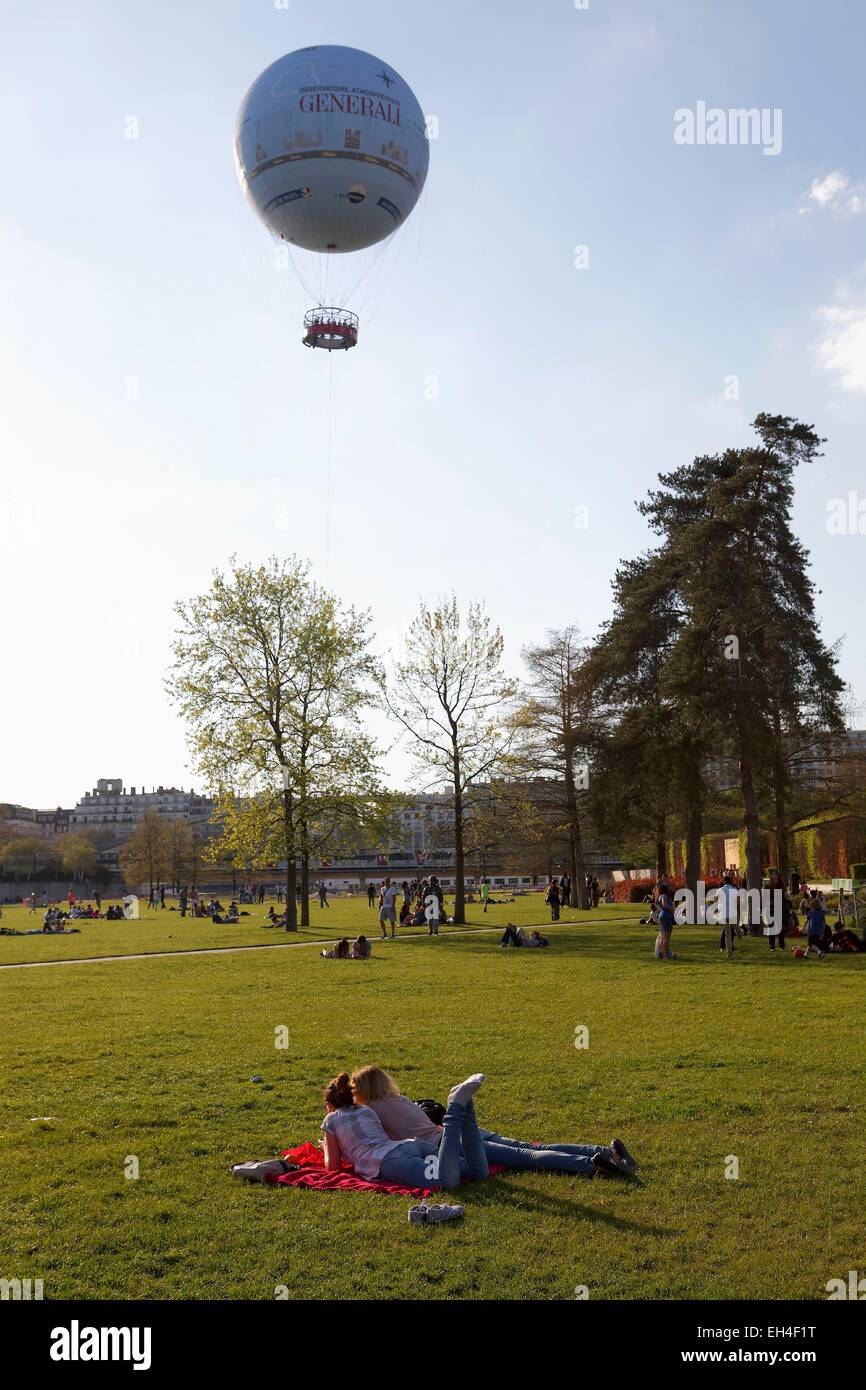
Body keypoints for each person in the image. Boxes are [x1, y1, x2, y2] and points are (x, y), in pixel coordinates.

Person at [350, 1067, 636, 1180]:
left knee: (527, 1157)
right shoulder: (401, 1099)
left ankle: (593, 1164)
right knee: (529, 1147)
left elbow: (378, 1141)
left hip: (449, 1142)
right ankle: (602, 1150)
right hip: (458, 1129)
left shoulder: (370, 1111)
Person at [321, 1071, 489, 1190]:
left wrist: (326, 1148)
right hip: (410, 1146)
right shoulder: (365, 1110)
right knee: (476, 1172)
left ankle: (456, 1107)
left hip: (389, 1160)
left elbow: (333, 1167)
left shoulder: (331, 1119)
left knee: (446, 1181)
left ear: (329, 1105)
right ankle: (466, 1104)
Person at [802, 893, 828, 960]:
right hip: (819, 931)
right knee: (810, 944)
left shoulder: (810, 913)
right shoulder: (822, 913)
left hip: (811, 931)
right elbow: (824, 924)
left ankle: (820, 953)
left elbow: (806, 921)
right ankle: (805, 955)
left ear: (812, 906)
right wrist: (822, 932)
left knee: (811, 944)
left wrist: (803, 928)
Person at [655, 879, 675, 960]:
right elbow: (664, 905)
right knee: (666, 938)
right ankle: (666, 956)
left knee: (664, 937)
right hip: (666, 916)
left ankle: (664, 954)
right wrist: (672, 909)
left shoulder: (659, 896)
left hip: (662, 916)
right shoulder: (664, 896)